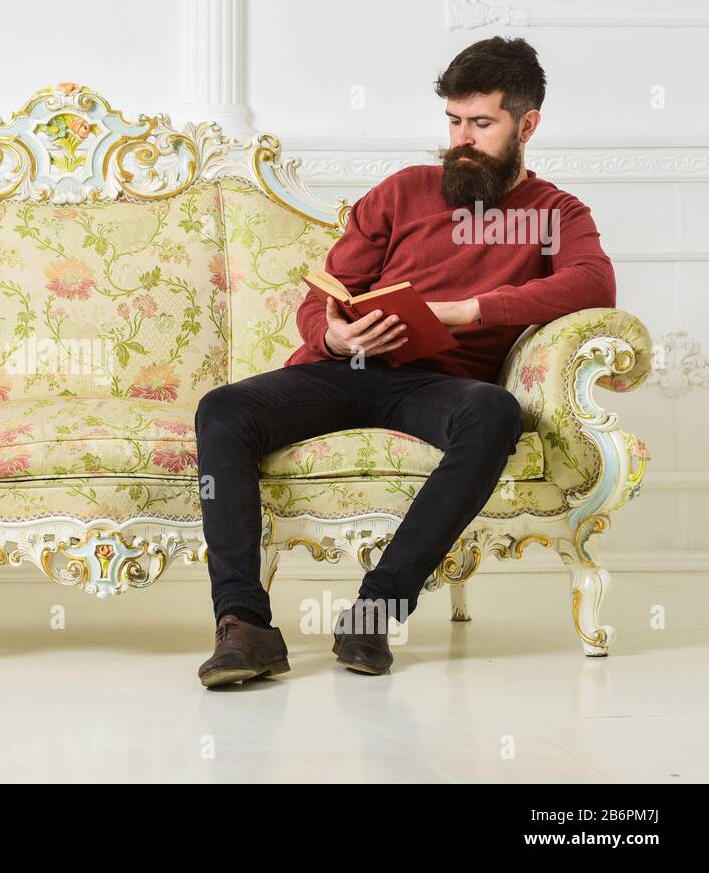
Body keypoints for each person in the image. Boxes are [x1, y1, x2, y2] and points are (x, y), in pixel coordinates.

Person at [196, 37, 616, 687]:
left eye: (481, 124)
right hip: (346, 370)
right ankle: (244, 627)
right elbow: (323, 296)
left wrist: (464, 311)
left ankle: (374, 612)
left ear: (527, 125)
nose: (462, 139)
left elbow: (594, 284)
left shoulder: (554, 212)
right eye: (454, 121)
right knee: (223, 410)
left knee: (495, 413)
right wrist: (335, 337)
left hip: (441, 386)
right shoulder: (404, 191)